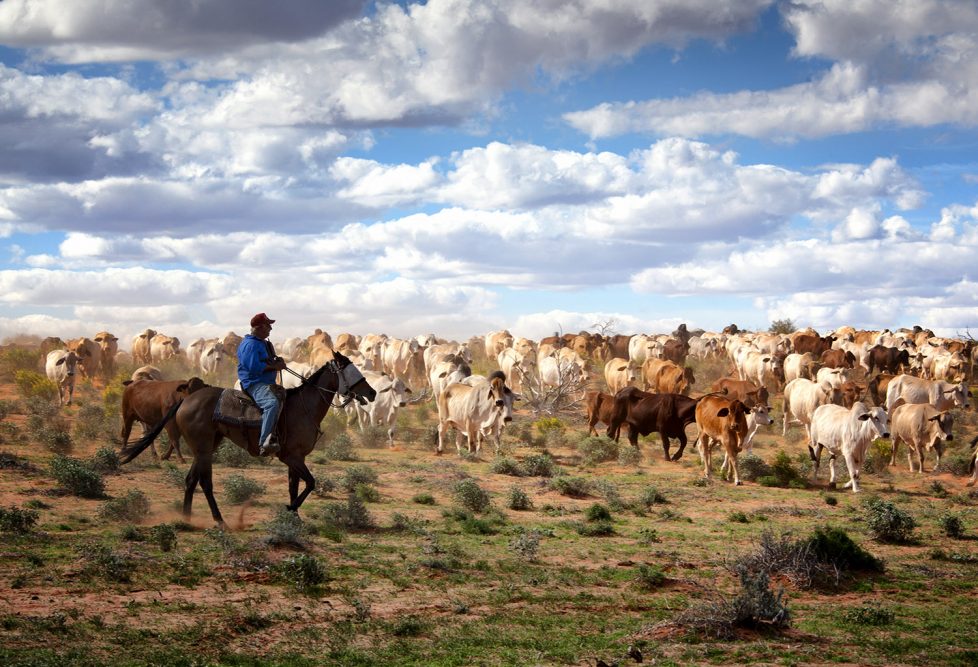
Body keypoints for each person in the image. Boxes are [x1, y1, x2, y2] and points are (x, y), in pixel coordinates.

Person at [237, 313, 288, 455]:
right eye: (268, 325)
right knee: (271, 404)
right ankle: (264, 442)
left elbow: (267, 360)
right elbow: (253, 368)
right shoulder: (250, 345)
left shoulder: (262, 343)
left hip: (266, 382)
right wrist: (275, 367)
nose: (270, 328)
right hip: (254, 383)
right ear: (258, 328)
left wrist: (277, 361)